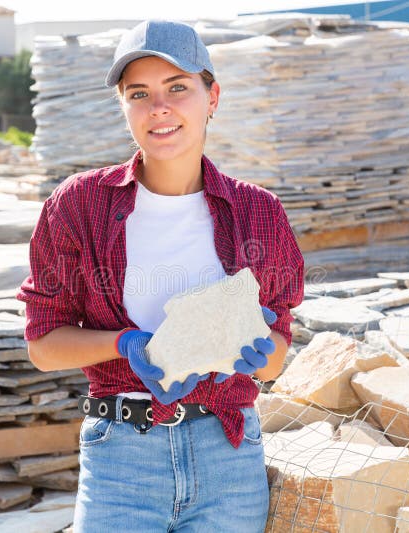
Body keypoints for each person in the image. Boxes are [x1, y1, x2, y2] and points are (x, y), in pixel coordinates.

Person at [18, 19, 304, 532]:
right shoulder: (79, 206)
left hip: (229, 458)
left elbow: (277, 355)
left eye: (178, 88)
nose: (160, 108)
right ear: (124, 107)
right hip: (121, 459)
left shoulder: (259, 212)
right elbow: (43, 345)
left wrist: (260, 351)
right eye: (139, 93)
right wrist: (126, 344)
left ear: (212, 96)